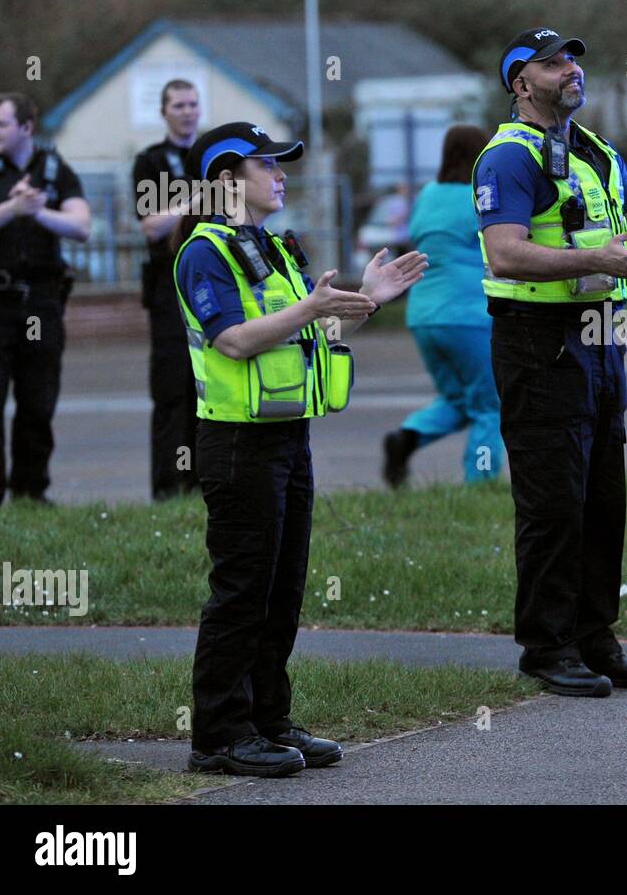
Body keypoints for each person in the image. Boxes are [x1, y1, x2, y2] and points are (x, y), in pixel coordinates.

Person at [174, 121, 426, 776]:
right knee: (242, 589)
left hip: (288, 437)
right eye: (269, 165)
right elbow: (234, 340)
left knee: (281, 590)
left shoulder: (273, 246)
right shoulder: (205, 252)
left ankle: (267, 718)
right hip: (237, 442)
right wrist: (314, 309)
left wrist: (366, 298)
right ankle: (219, 734)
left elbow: (307, 330)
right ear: (229, 178)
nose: (281, 174)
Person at [476, 27, 627, 697]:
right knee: (553, 501)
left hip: (601, 338)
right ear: (521, 84)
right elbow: (505, 252)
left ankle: (596, 635)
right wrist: (597, 259)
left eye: (573, 59)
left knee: (603, 497)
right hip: (537, 339)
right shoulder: (507, 156)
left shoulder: (598, 151)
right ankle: (547, 646)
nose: (571, 70)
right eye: (552, 63)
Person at [382, 124, 504, 486]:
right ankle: (481, 484)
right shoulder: (479, 194)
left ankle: (407, 438)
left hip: (423, 314)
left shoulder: (428, 195)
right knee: (489, 405)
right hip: (468, 313)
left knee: (459, 398)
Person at [0, 92, 91, 508]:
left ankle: (31, 493)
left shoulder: (55, 171)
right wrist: (12, 208)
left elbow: (81, 226)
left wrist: (38, 211)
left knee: (38, 401)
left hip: (41, 303)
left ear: (26, 128)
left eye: (0, 124)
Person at [133, 79, 202, 500]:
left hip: (208, 282)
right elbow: (150, 223)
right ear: (164, 112)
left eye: (193, 104)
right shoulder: (151, 162)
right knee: (172, 388)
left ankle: (202, 482)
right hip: (167, 287)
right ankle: (168, 486)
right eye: (178, 105)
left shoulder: (211, 158)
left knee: (206, 388)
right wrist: (196, 201)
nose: (187, 111)